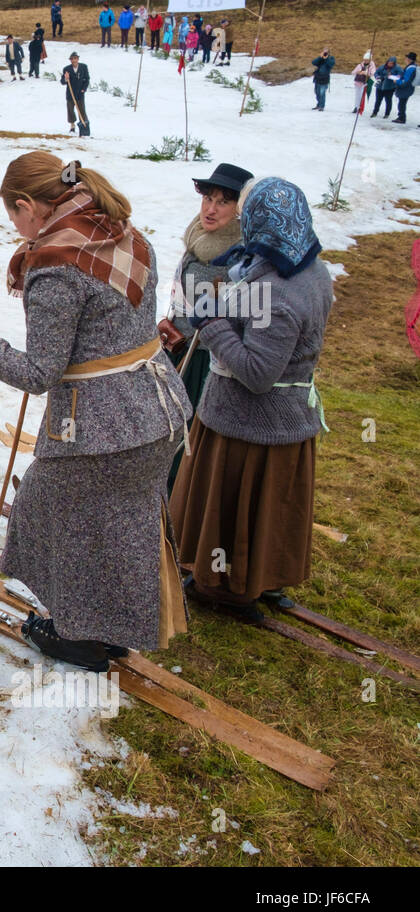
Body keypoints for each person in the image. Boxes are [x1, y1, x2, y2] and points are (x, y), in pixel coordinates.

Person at [0, 151, 190, 671]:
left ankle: (77, 636)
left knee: (50, 516)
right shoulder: (119, 228)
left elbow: (38, 373)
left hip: (101, 429)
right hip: (160, 411)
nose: (15, 229)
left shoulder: (54, 267)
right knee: (121, 526)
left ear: (28, 206)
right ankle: (112, 628)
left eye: (13, 216)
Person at [170, 179, 333, 615]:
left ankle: (228, 588)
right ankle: (254, 578)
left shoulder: (280, 293)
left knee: (237, 507)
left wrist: (213, 323)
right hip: (275, 423)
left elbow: (258, 373)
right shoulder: (306, 266)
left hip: (252, 426)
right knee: (264, 511)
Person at [157, 162, 253, 493]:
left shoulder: (239, 257)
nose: (211, 209)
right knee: (164, 432)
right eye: (208, 198)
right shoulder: (198, 237)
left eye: (223, 202)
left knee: (186, 443)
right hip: (176, 348)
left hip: (206, 361)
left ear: (240, 210)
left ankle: (175, 517)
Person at [61, 52, 89, 135]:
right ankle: (72, 126)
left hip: (80, 93)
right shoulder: (67, 69)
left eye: (75, 58)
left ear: (78, 59)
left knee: (82, 110)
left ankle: (84, 126)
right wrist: (66, 79)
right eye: (72, 59)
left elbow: (87, 79)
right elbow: (62, 82)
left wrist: (83, 89)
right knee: (70, 110)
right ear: (70, 60)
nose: (74, 60)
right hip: (71, 93)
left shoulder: (84, 67)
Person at [393, 51, 416, 124]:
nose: (405, 59)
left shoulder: (411, 68)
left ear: (409, 59)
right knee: (402, 103)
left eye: (406, 58)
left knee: (402, 104)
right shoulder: (411, 66)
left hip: (406, 89)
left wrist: (397, 81)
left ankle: (402, 118)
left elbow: (406, 81)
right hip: (407, 88)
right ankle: (401, 117)